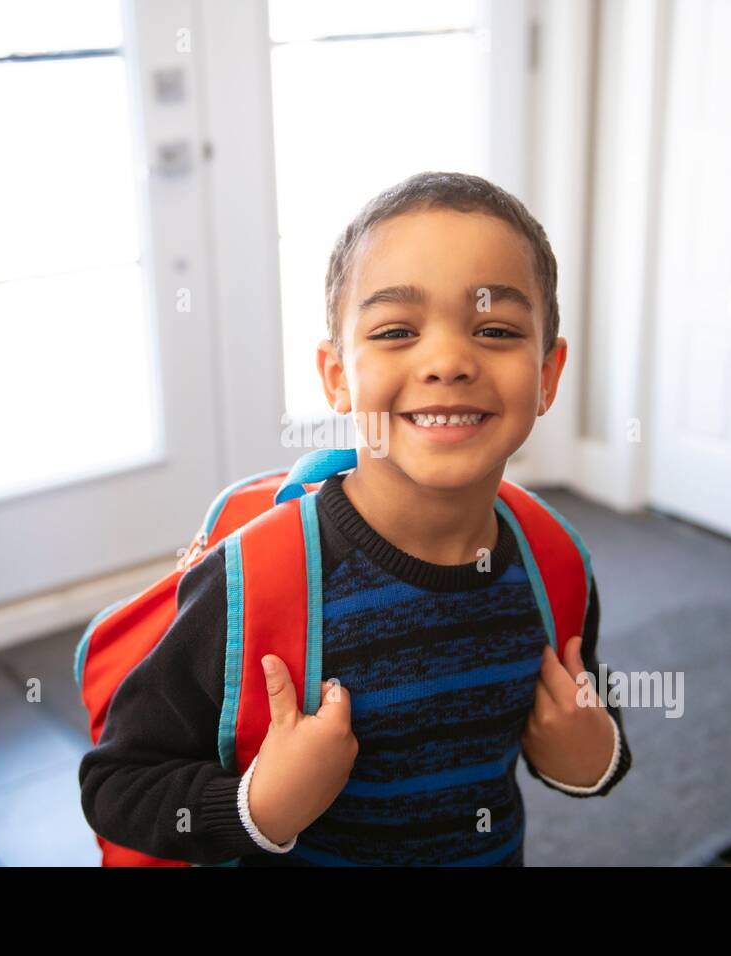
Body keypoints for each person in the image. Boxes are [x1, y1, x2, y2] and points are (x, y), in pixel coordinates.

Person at [79, 170, 632, 866]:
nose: (449, 361)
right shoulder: (253, 582)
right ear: (337, 376)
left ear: (548, 374)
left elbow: (590, 714)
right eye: (397, 330)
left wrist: (595, 756)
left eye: (494, 328)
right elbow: (116, 784)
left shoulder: (554, 559)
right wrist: (262, 805)